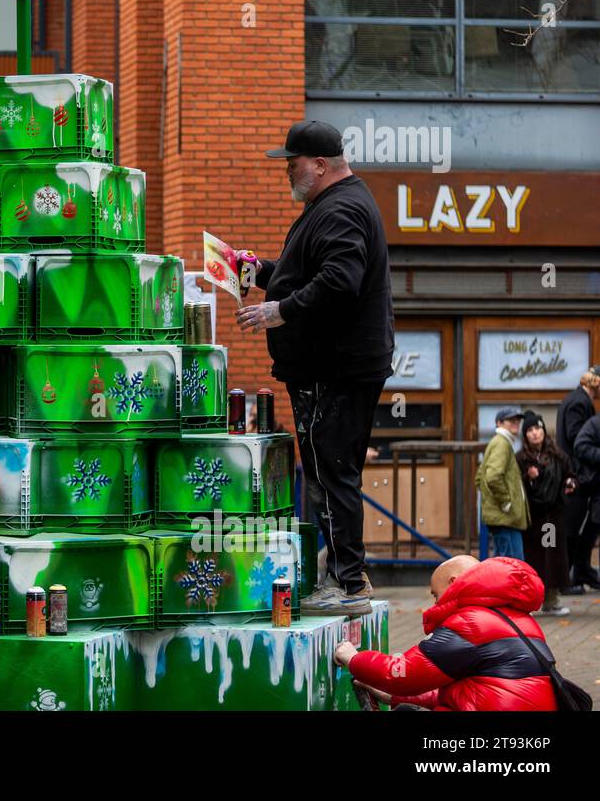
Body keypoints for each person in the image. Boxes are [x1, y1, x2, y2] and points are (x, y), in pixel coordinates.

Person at [235, 120, 394, 616]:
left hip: (337, 369)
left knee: (332, 472)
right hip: (333, 367)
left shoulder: (342, 208)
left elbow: (339, 281)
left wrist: (275, 310)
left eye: (292, 163)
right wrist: (258, 270)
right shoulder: (331, 205)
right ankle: (343, 574)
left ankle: (347, 583)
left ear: (320, 165)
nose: (286, 172)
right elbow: (306, 271)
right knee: (329, 472)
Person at [333, 555, 557, 711]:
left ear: (454, 582)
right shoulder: (519, 620)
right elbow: (465, 693)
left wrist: (352, 657)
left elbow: (403, 674)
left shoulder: (470, 623)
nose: (435, 602)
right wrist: (395, 697)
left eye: (435, 594)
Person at [515, 411, 575, 615]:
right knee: (533, 559)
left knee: (551, 556)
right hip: (533, 517)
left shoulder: (557, 455)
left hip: (551, 518)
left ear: (543, 430)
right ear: (525, 436)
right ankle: (530, 602)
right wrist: (529, 477)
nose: (534, 433)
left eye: (537, 428)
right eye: (530, 430)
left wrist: (570, 483)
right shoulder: (521, 459)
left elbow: (570, 474)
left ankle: (551, 600)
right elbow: (517, 485)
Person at [557, 366, 600, 592]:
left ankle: (579, 572)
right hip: (574, 475)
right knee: (571, 529)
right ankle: (565, 579)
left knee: (577, 528)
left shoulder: (575, 398)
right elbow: (577, 439)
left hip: (574, 474)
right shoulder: (579, 402)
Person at [477, 408, 528, 560]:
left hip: (501, 518)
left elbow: (480, 477)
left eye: (517, 420)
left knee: (501, 564)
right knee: (513, 565)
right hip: (506, 518)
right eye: (510, 420)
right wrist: (506, 502)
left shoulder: (497, 442)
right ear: (499, 423)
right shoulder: (502, 444)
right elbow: (492, 477)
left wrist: (490, 500)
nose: (516, 423)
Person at [567, 411, 600, 591]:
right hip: (594, 490)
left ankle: (582, 570)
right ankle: (580, 570)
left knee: (590, 531)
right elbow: (581, 446)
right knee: (589, 530)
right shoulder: (595, 424)